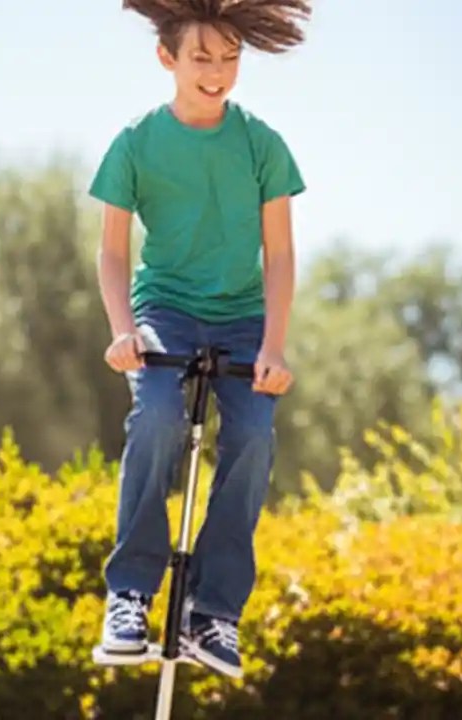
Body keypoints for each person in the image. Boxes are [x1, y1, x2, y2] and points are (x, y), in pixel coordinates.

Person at [89, 0, 312, 678]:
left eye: (229, 57)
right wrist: (123, 331)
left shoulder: (261, 143)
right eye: (201, 58)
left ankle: (212, 613)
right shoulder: (135, 143)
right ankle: (129, 593)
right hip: (167, 308)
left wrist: (273, 346)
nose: (217, 72)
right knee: (155, 411)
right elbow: (112, 253)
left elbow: (278, 254)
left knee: (252, 436)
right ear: (169, 59)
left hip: (244, 317)